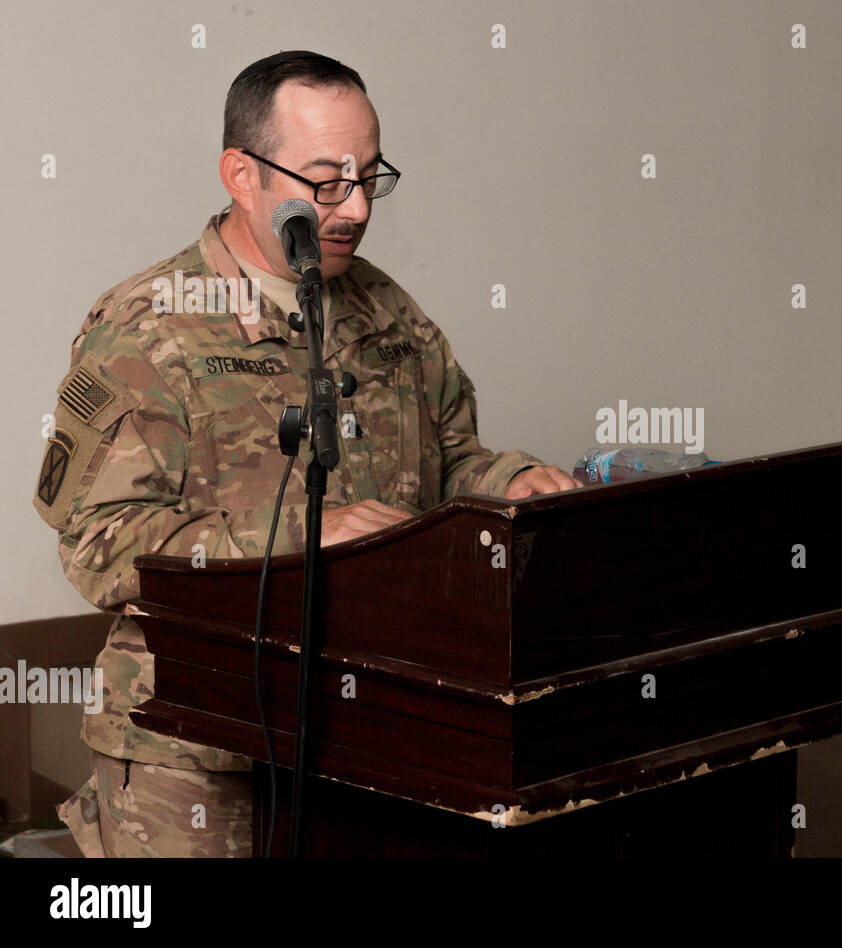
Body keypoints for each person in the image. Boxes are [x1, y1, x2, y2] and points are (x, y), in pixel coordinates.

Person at [32, 50, 579, 857]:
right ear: (241, 174)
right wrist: (304, 534)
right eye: (324, 183)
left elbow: (447, 462)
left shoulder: (384, 308)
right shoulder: (148, 328)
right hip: (198, 753)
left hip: (371, 732)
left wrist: (512, 481)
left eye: (369, 177)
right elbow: (100, 546)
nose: (354, 208)